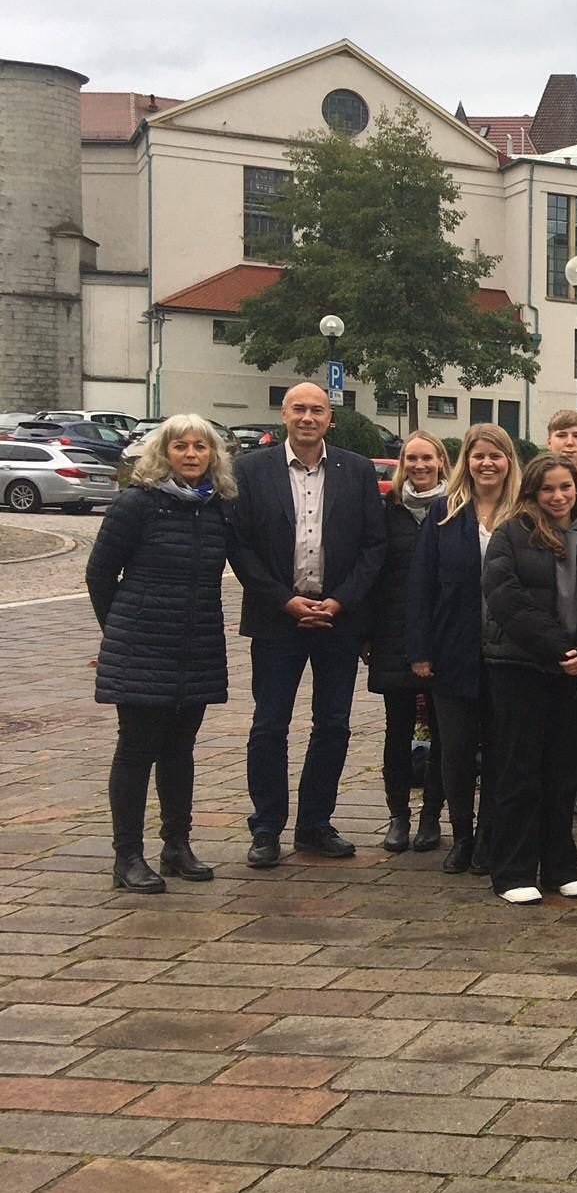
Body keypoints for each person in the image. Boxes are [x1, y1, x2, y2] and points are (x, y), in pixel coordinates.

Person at [228, 381, 387, 867]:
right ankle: (267, 828)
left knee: (334, 724)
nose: (307, 417)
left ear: (329, 418)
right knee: (269, 724)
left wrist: (340, 602)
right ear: (284, 414)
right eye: (299, 408)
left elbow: (373, 546)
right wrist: (284, 601)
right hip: (278, 619)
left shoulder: (356, 470)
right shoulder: (250, 470)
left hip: (338, 619)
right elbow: (241, 546)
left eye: (317, 409)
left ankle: (316, 823)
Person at [88, 416, 234, 893]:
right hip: (142, 644)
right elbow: (100, 574)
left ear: (213, 456)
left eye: (200, 447)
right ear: (162, 453)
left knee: (180, 749)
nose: (191, 455)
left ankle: (177, 844)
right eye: (180, 446)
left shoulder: (216, 508)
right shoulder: (137, 504)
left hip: (196, 644)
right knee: (136, 749)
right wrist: (121, 631)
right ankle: (127, 855)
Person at [481, 455, 577, 904]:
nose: (558, 497)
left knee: (565, 772)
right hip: (521, 668)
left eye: (566, 488)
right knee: (518, 772)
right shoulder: (510, 534)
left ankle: (561, 865)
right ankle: (514, 871)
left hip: (576, 672)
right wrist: (558, 649)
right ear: (532, 493)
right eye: (548, 489)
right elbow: (506, 598)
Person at [408, 424, 519, 873]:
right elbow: (421, 587)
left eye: (496, 455)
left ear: (509, 461)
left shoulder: (523, 515)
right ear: (465, 462)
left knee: (500, 750)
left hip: (511, 656)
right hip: (453, 650)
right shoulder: (444, 514)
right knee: (453, 750)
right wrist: (420, 650)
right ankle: (463, 835)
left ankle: (492, 837)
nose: (487, 463)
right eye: (478, 456)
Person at [367, 431, 449, 854]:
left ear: (441, 462)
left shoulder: (454, 509)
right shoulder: (387, 510)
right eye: (412, 458)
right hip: (393, 634)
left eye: (427, 458)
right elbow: (371, 572)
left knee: (442, 732)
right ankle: (398, 816)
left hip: (443, 636)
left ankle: (432, 817)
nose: (419, 466)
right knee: (397, 729)